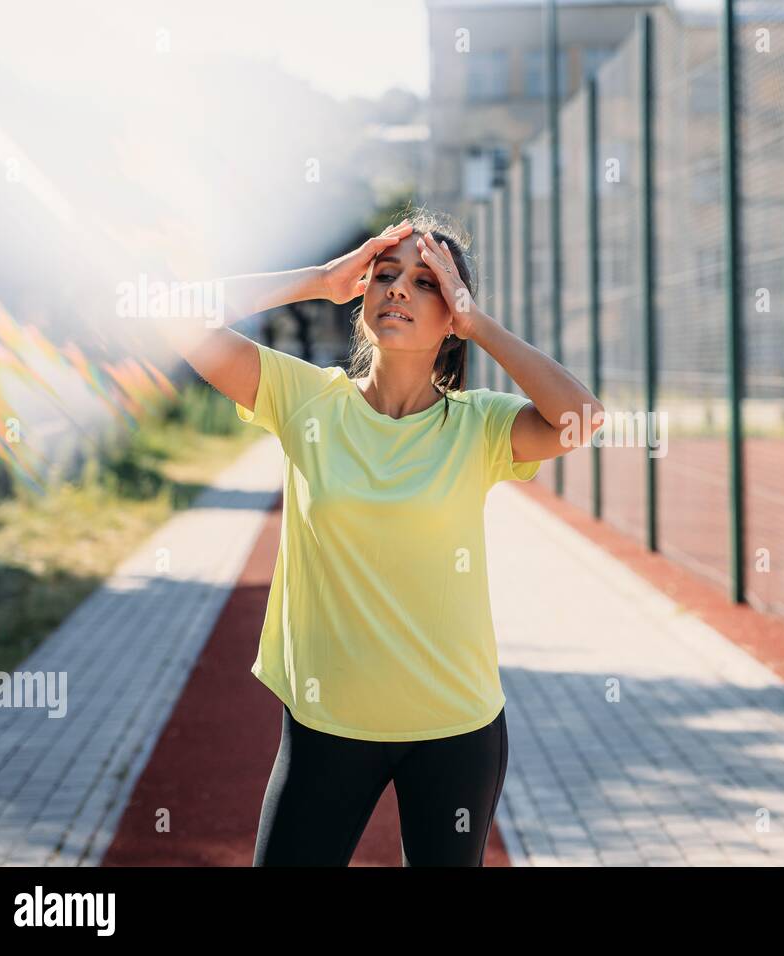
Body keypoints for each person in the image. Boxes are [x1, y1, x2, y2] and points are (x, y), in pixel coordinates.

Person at [159, 208, 604, 865]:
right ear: (362, 292)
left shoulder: (478, 426)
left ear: (451, 314)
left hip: (455, 726)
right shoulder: (304, 398)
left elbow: (582, 419)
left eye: (428, 283)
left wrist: (479, 323)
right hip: (327, 725)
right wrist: (316, 279)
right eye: (386, 274)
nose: (398, 288)